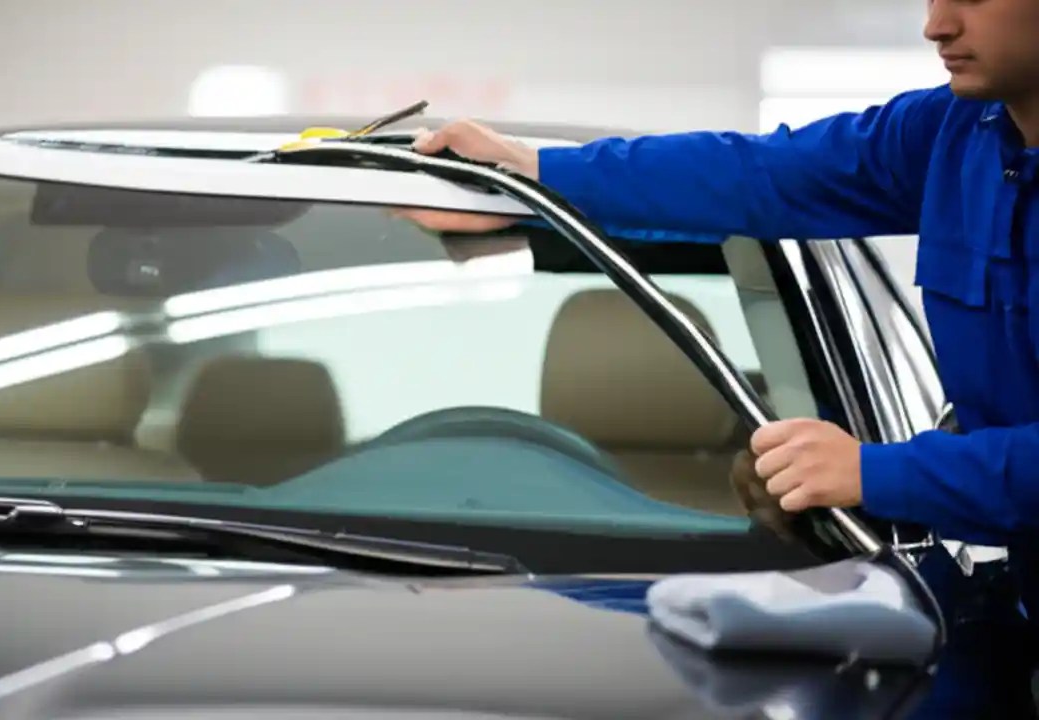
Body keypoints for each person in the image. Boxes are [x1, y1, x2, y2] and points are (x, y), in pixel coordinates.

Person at [405, 0, 1039, 715]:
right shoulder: (954, 135)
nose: (937, 25)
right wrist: (536, 173)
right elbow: (760, 174)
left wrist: (875, 472)